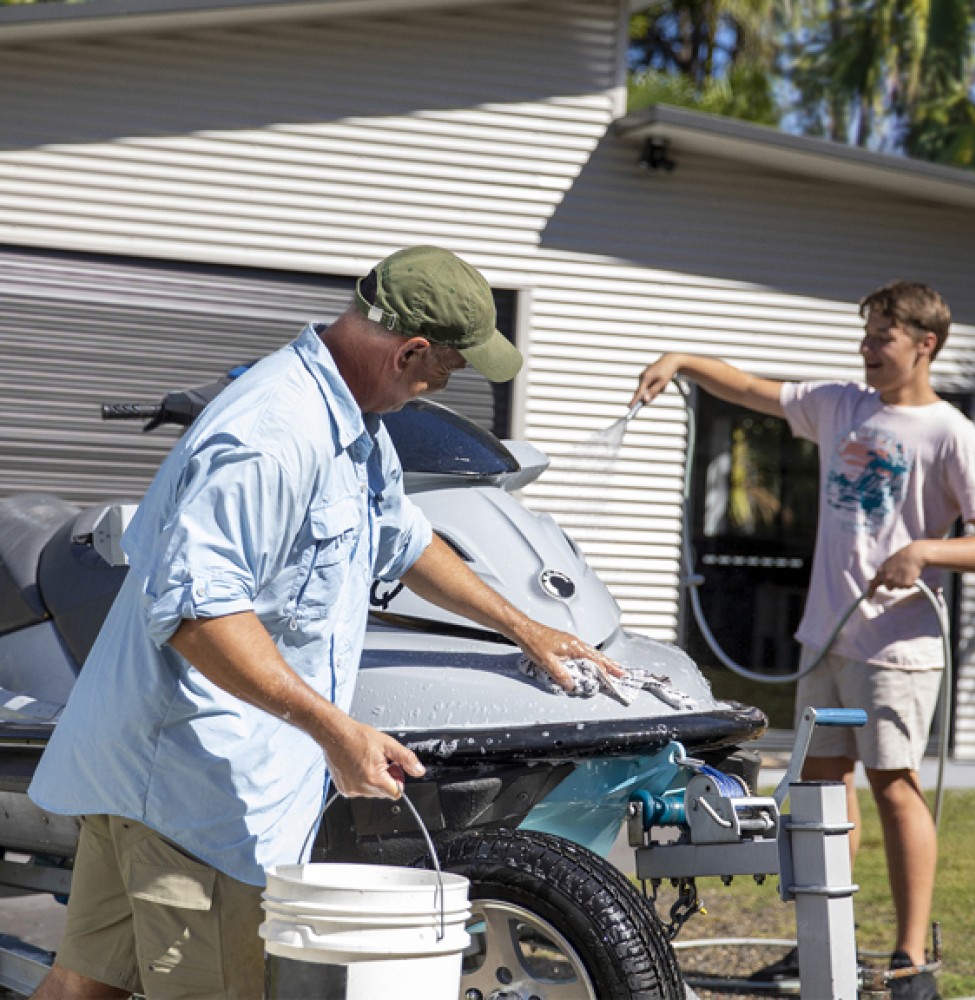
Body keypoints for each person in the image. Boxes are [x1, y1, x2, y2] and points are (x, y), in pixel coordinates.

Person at [28, 245, 622, 1000]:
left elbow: (403, 539)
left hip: (157, 774)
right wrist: (335, 731)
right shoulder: (271, 435)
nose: (448, 384)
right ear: (410, 351)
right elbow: (198, 617)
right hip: (196, 794)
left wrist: (524, 625)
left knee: (85, 988)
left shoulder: (351, 418)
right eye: (449, 368)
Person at [630, 281, 975, 1000]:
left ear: (925, 344)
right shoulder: (841, 404)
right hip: (825, 639)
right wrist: (679, 358)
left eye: (881, 337)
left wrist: (927, 551)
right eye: (865, 335)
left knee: (895, 788)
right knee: (821, 793)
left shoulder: (950, 433)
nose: (866, 349)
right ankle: (820, 945)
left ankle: (911, 961)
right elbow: (746, 387)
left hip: (898, 648)